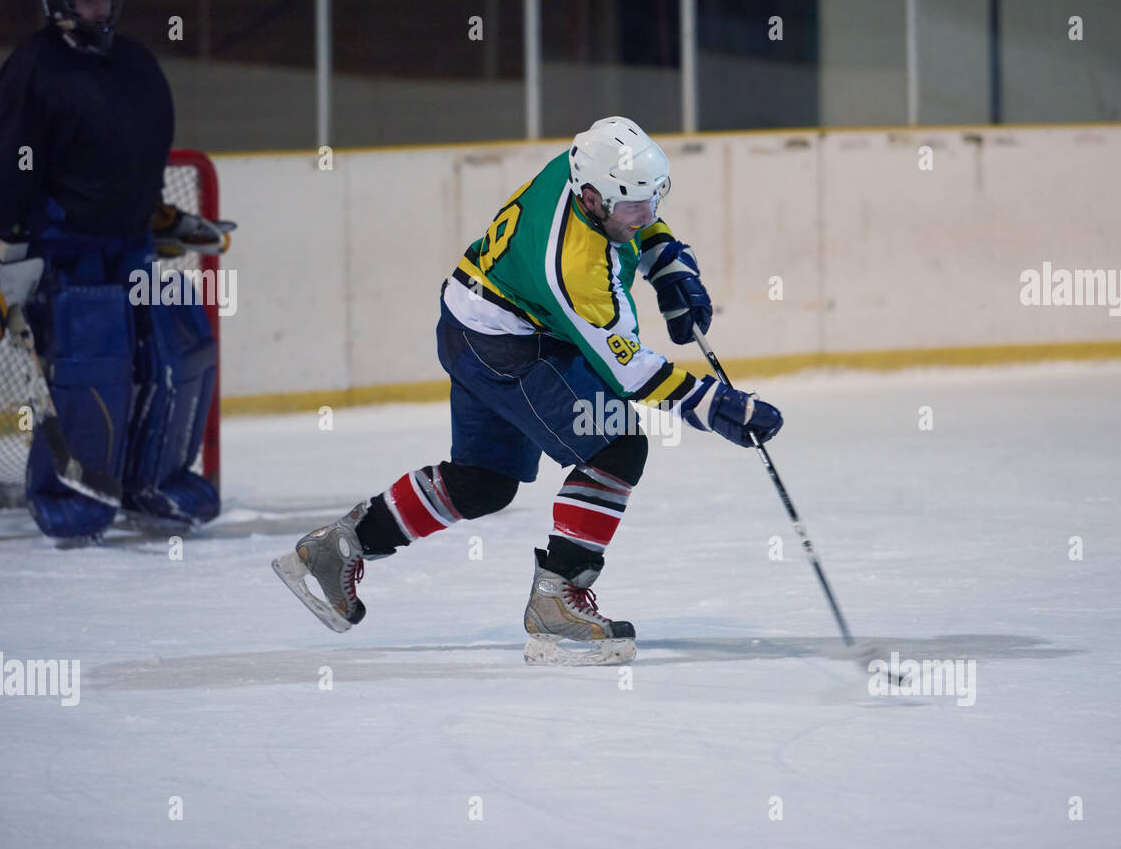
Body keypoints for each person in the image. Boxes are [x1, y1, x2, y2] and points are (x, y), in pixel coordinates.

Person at [273, 117, 783, 665]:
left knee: (484, 483)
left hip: (475, 322)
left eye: (654, 201)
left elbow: (640, 211)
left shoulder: (582, 168)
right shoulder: (574, 267)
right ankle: (555, 600)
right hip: (506, 346)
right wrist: (719, 406)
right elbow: (632, 375)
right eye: (632, 208)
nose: (646, 217)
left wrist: (666, 263)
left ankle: (338, 548)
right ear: (591, 197)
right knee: (615, 443)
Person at [0, 0, 220, 541]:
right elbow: (6, 160)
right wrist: (3, 232)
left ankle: (149, 480)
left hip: (130, 245)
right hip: (65, 250)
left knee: (173, 354)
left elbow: (145, 149)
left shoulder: (134, 63)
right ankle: (69, 493)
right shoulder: (34, 67)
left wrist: (149, 210)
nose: (99, 10)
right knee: (89, 364)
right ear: (57, 3)